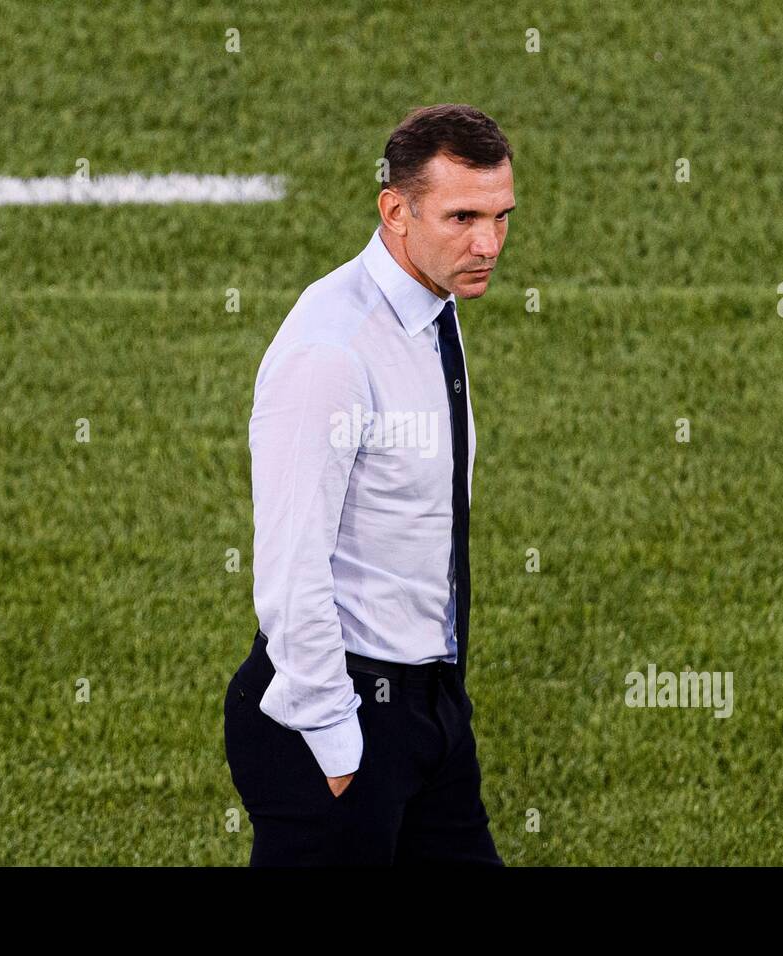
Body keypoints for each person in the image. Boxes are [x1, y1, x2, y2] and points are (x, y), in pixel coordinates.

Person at [225, 103, 516, 865]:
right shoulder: (333, 350)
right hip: (340, 722)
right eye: (462, 217)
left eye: (501, 216)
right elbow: (291, 571)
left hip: (431, 713)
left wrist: (440, 709)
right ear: (395, 211)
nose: (488, 243)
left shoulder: (430, 305)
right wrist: (340, 747)